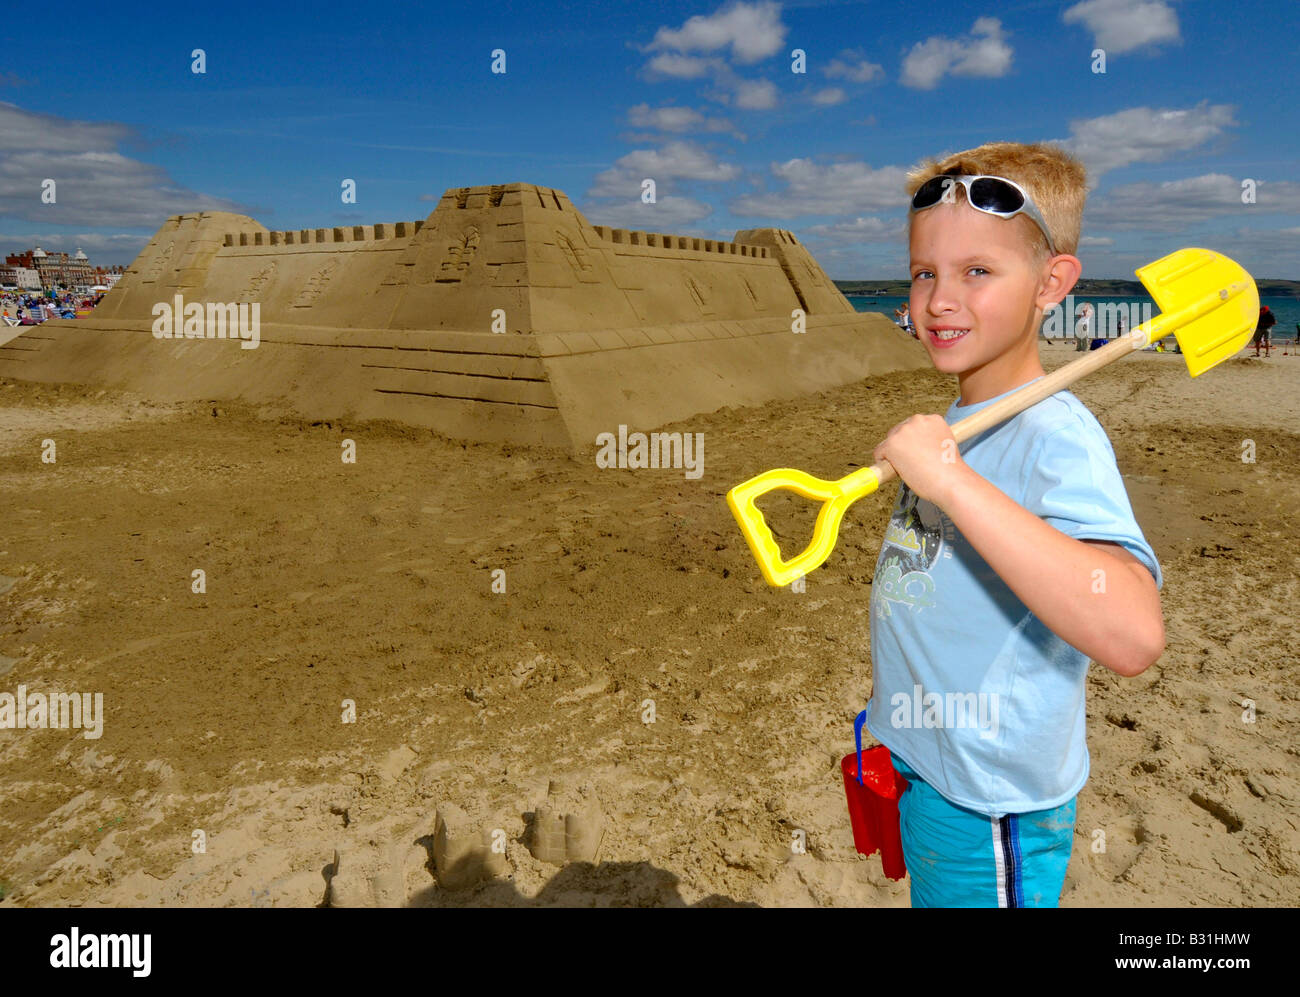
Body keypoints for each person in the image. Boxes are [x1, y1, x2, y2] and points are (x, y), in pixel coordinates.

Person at [864, 141, 1164, 908]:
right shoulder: (962, 423)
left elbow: (1131, 630)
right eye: (924, 271)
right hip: (927, 771)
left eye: (977, 272)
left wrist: (951, 483)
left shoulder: (1054, 435)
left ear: (1052, 283)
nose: (937, 300)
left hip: (990, 804)